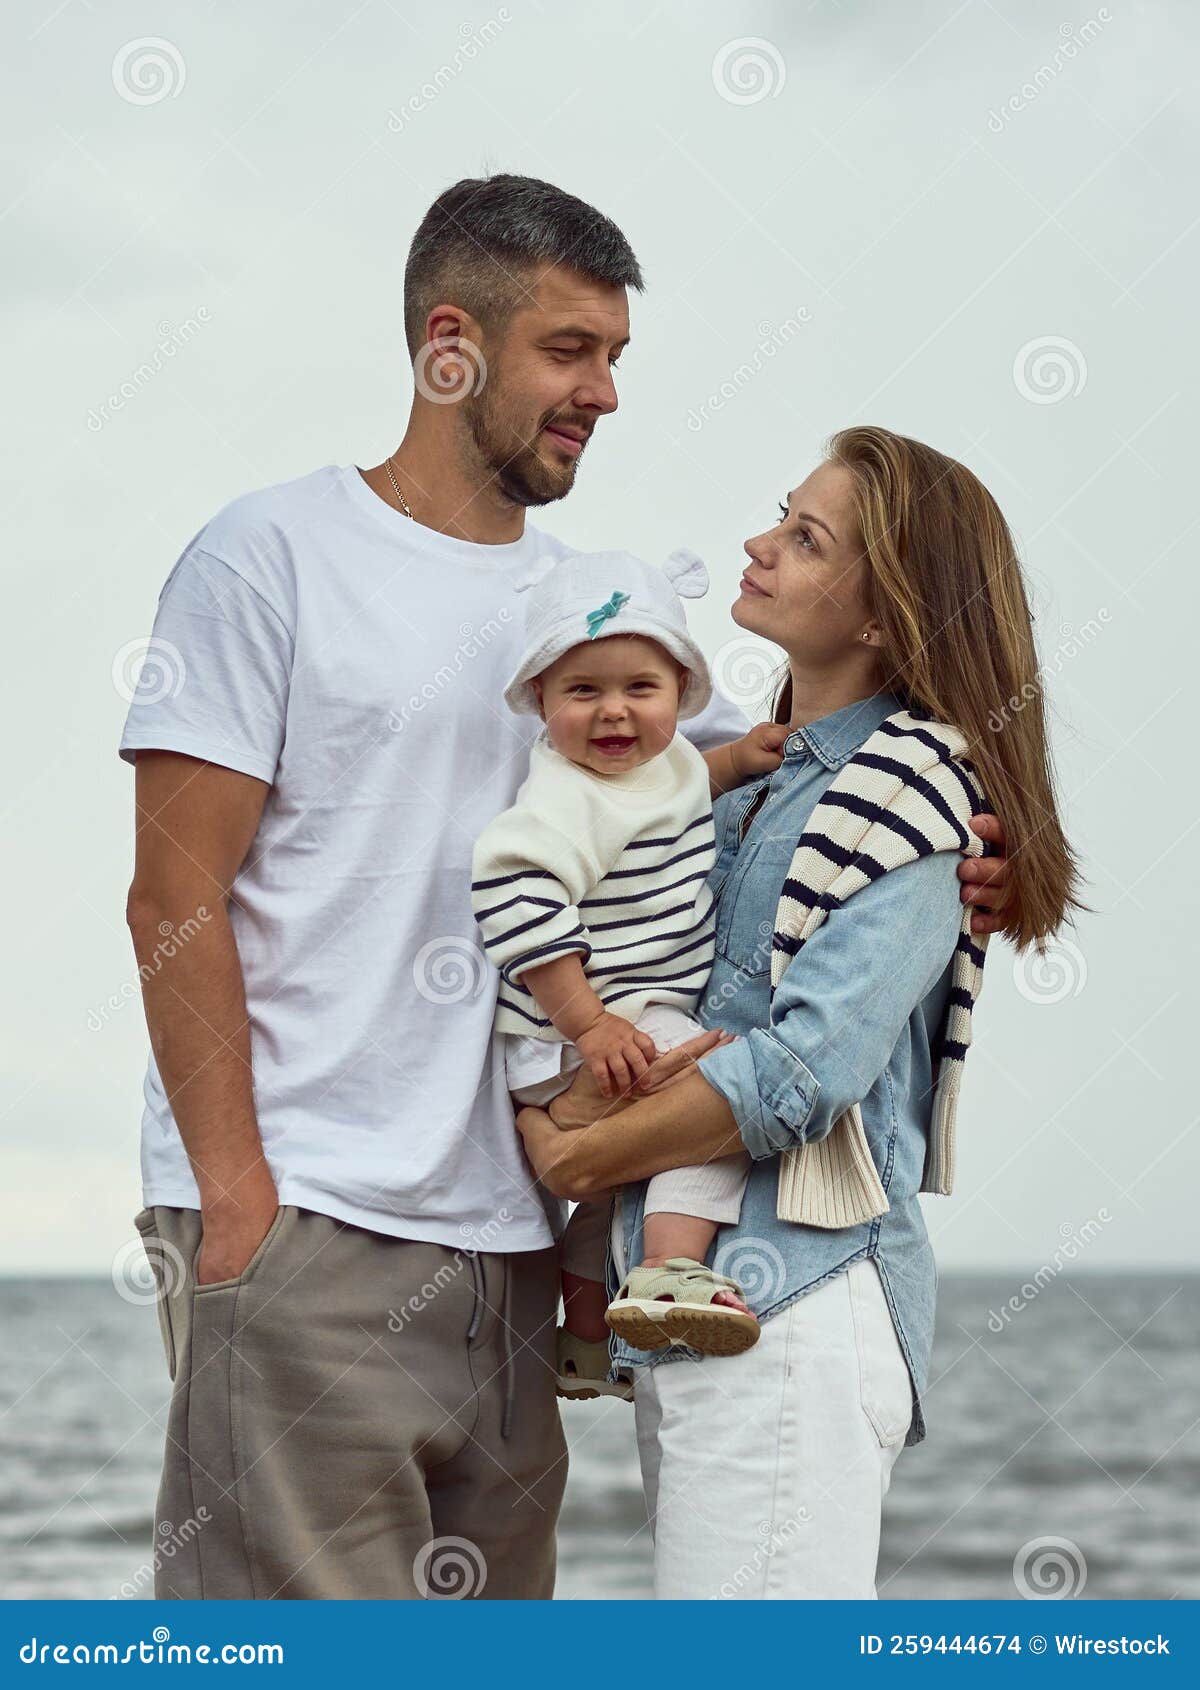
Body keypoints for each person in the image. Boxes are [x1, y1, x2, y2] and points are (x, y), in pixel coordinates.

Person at [120, 171, 1007, 1601]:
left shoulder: (597, 619)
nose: (603, 391)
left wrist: (984, 861)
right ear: (449, 344)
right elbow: (171, 898)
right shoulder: (267, 559)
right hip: (314, 1220)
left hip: (528, 1245)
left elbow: (810, 799)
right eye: (571, 350)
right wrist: (235, 1197)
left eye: (617, 358)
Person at [516, 425, 1077, 1600]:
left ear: (881, 617)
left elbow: (807, 1069)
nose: (758, 543)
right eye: (783, 513)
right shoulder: (768, 776)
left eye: (804, 537)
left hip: (792, 1301)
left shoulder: (915, 793)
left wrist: (579, 1149)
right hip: (709, 1308)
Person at [471, 547, 785, 1400]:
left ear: (683, 696)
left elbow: (687, 784)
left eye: (639, 690)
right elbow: (515, 896)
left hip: (618, 1019)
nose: (613, 713)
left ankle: (580, 1337)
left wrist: (742, 759)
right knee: (713, 1102)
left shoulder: (666, 763)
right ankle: (670, 1272)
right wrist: (590, 1024)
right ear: (540, 700)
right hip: (580, 1029)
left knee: (617, 1184)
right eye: (583, 692)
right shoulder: (562, 797)